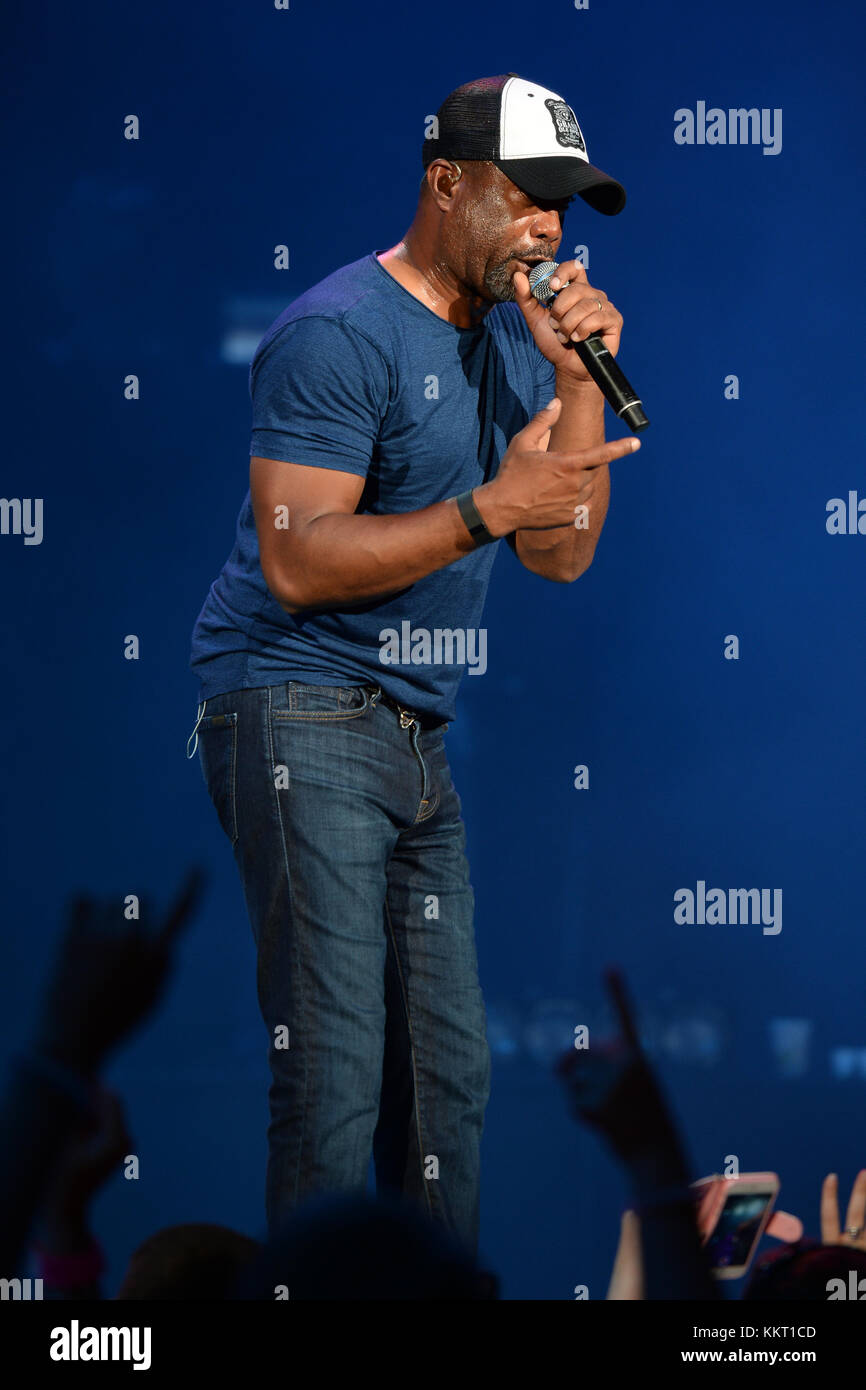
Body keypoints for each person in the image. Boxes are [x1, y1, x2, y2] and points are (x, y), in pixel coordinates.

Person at [187, 72, 640, 1251]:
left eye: (566, 207)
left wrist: (570, 381)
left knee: (446, 1085)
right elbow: (297, 560)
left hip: (411, 732)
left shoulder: (504, 344)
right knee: (335, 1074)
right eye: (528, 197)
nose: (549, 228)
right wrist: (486, 507)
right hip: (291, 706)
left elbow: (563, 553)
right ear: (447, 182)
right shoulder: (338, 330)